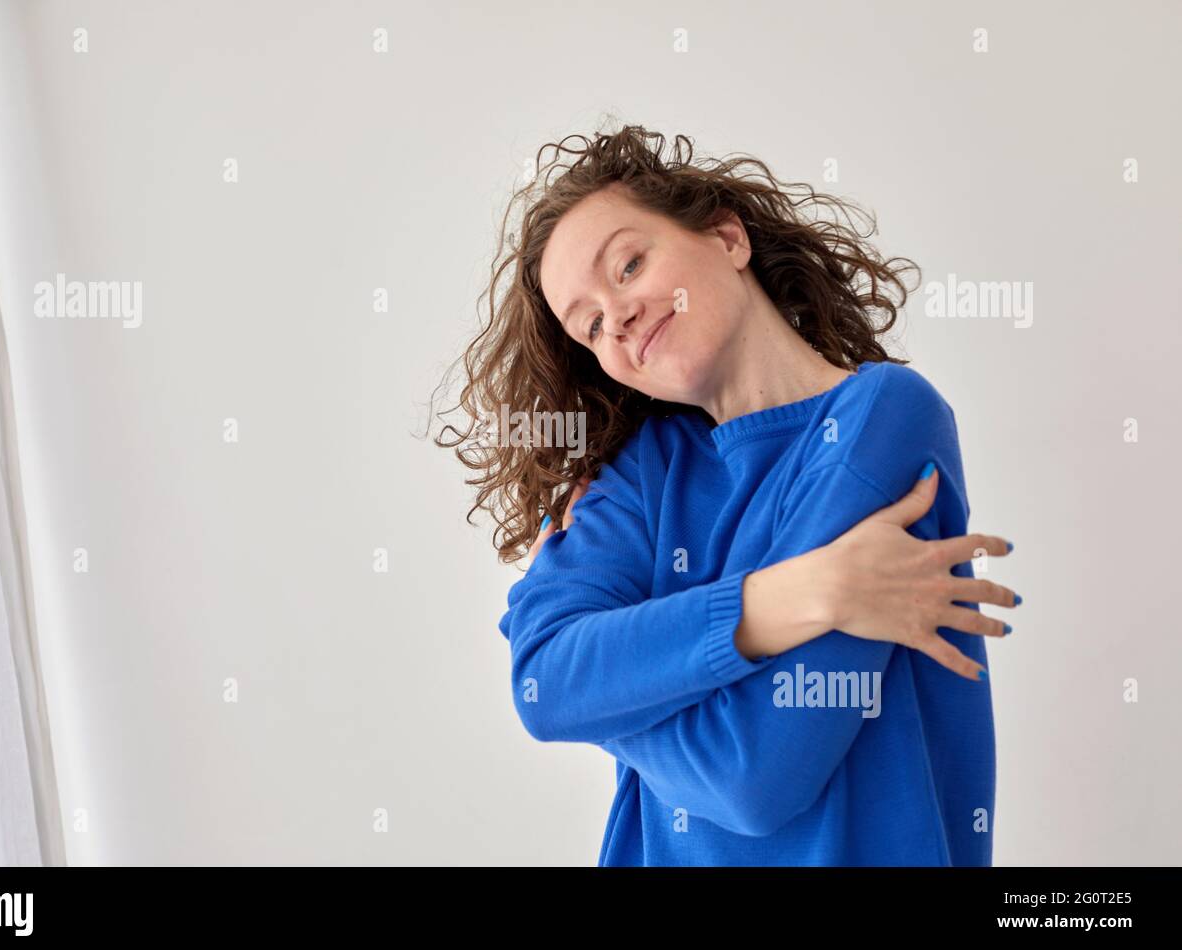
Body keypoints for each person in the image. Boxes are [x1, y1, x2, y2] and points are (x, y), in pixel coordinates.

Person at [435, 125, 1017, 865]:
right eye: (588, 326)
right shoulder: (642, 473)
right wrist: (803, 592)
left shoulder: (884, 417)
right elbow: (546, 684)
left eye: (629, 264)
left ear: (726, 237)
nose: (614, 318)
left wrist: (614, 683)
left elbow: (754, 776)